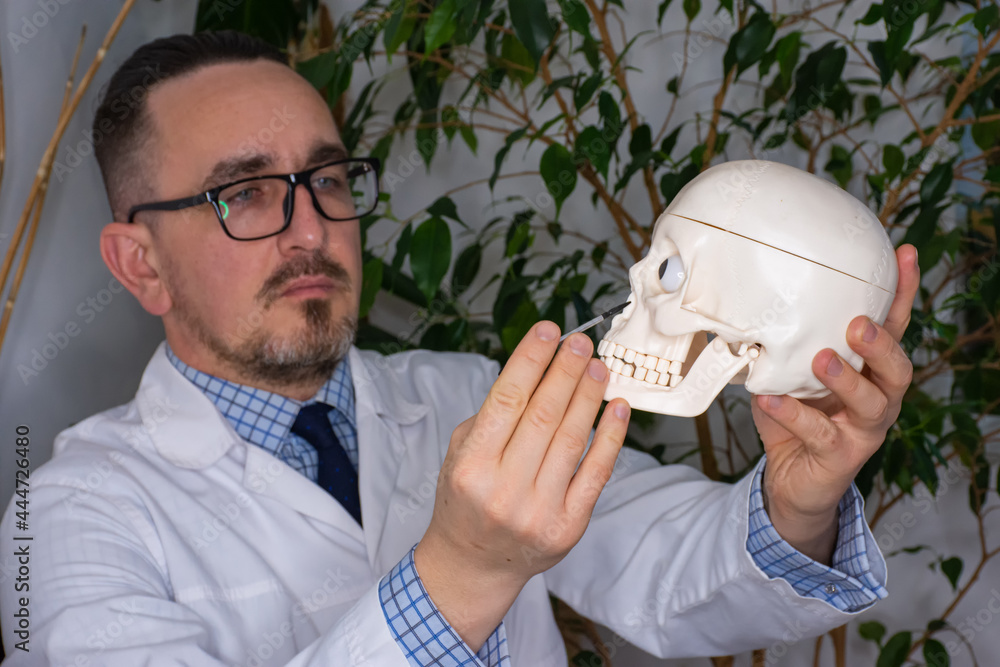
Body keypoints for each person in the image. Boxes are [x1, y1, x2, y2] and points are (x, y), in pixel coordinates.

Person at [0, 31, 919, 666]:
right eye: (242, 194)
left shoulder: (466, 398)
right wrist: (463, 573)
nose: (311, 230)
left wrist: (800, 501)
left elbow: (672, 572)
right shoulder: (68, 519)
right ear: (140, 264)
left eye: (327, 178)